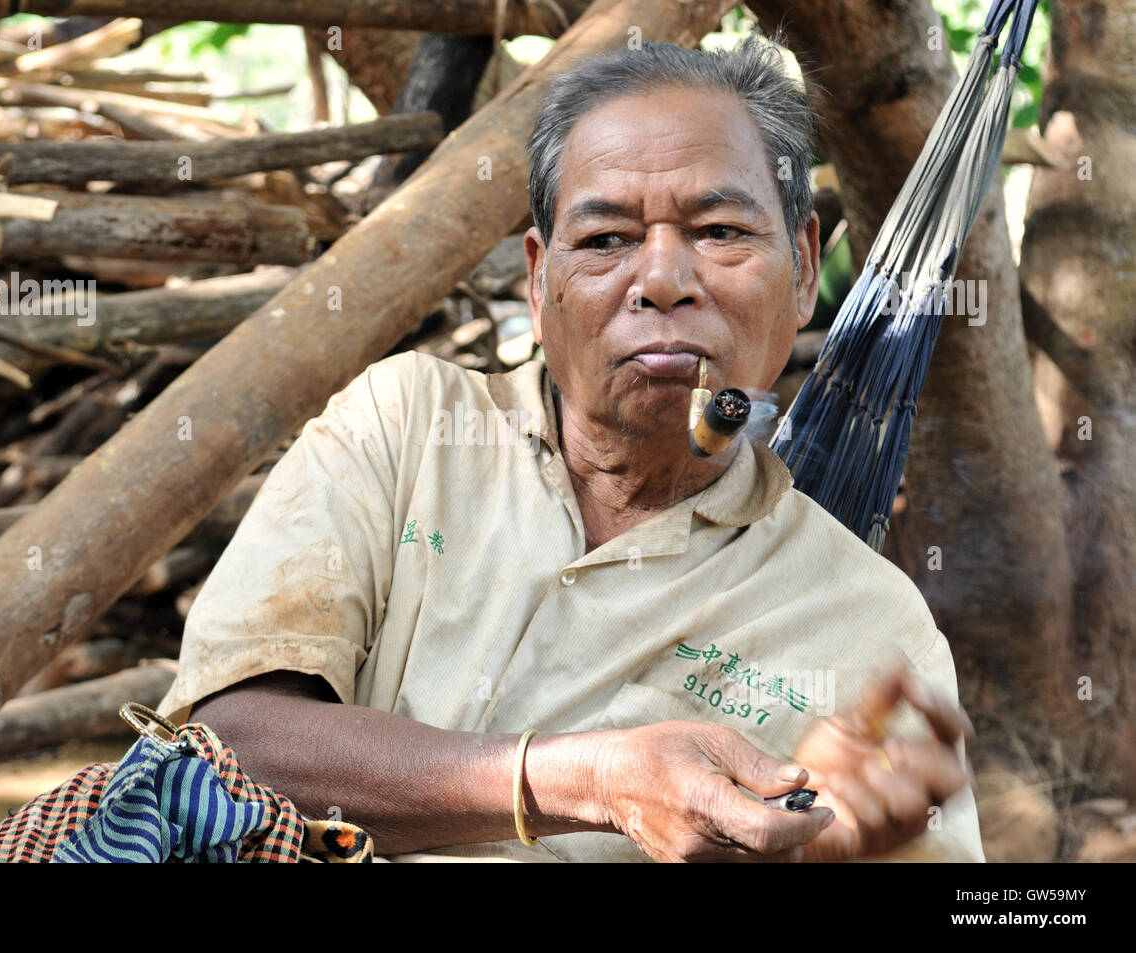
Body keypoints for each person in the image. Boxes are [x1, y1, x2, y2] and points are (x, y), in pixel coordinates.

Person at [155, 36, 985, 863]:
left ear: (803, 269)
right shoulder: (405, 429)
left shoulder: (870, 627)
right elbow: (227, 747)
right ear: (537, 280)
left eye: (721, 228)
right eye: (605, 240)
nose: (662, 279)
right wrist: (587, 781)